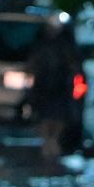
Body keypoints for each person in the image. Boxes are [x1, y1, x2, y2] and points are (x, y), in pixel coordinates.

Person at [26, 18, 79, 167]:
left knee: (54, 121)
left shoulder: (63, 47)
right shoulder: (45, 46)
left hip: (57, 90)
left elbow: (72, 67)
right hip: (46, 90)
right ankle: (49, 146)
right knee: (47, 120)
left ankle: (51, 145)